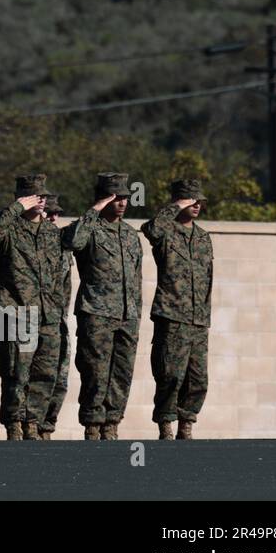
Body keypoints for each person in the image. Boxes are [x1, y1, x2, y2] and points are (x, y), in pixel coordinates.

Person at [0, 174, 64, 440]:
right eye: (34, 196)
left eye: (42, 196)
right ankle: (14, 423)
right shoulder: (8, 229)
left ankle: (34, 422)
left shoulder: (52, 233)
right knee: (17, 372)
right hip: (16, 311)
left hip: (48, 314)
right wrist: (18, 207)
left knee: (45, 373)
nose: (40, 201)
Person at [69, 172, 143, 441]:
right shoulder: (90, 229)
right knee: (95, 371)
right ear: (103, 198)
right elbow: (73, 242)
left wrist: (135, 314)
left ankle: (112, 421)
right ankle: (92, 422)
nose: (122, 202)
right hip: (97, 312)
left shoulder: (130, 235)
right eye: (115, 197)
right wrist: (93, 211)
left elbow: (137, 277)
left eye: (124, 197)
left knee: (122, 372)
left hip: (127, 315)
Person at [142, 178, 214, 441]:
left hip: (198, 318)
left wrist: (205, 314)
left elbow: (208, 278)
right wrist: (174, 206)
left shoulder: (204, 238)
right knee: (170, 374)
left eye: (199, 201)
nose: (196, 205)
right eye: (190, 200)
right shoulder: (165, 232)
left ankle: (187, 422)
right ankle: (165, 423)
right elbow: (150, 229)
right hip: (172, 315)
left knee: (198, 379)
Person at [39, 194, 74, 440]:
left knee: (59, 378)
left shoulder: (62, 242)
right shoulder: (30, 241)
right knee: (33, 377)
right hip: (34, 318)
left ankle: (47, 426)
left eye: (57, 213)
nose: (54, 217)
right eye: (48, 212)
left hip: (58, 318)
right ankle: (29, 425)